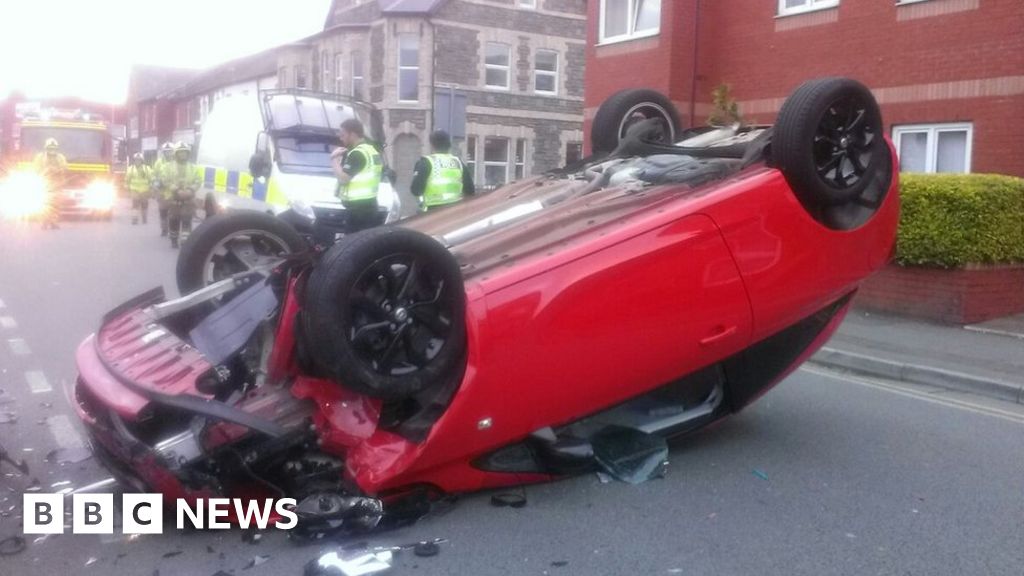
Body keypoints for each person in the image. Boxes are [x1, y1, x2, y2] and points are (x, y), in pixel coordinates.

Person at [330, 118, 383, 234]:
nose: (341, 138)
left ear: (353, 134)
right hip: (369, 205)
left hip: (358, 211)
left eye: (343, 135)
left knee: (352, 243)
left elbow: (343, 179)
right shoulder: (371, 150)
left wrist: (333, 159)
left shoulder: (357, 153)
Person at [409, 130, 474, 212]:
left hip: (433, 212)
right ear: (449, 144)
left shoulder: (426, 163)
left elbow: (416, 190)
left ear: (432, 145)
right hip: (456, 212)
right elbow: (470, 191)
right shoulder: (458, 163)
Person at [163, 142, 200, 248]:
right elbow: (165, 180)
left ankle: (185, 241)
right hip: (174, 198)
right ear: (176, 154)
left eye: (185, 152)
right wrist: (177, 190)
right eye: (180, 152)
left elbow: (198, 181)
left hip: (188, 198)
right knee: (174, 220)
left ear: (188, 154)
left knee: (187, 219)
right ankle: (174, 240)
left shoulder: (193, 167)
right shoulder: (168, 167)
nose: (183, 154)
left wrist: (190, 190)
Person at [32, 138, 67, 229]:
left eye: (53, 148)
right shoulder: (40, 157)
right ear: (46, 148)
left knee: (56, 205)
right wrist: (46, 170)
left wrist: (56, 170)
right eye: (50, 148)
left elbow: (64, 168)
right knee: (44, 203)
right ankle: (44, 222)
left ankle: (54, 222)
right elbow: (36, 169)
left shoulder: (60, 157)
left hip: (57, 184)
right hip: (44, 184)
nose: (52, 150)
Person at [152, 142, 175, 236]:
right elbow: (154, 174)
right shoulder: (159, 162)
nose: (168, 153)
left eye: (170, 151)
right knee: (163, 211)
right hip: (162, 191)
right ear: (163, 152)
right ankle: (164, 229)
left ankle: (173, 229)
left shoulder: (176, 162)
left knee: (173, 212)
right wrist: (156, 183)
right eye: (166, 152)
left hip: (173, 191)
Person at [125, 153, 152, 225]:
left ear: (142, 161)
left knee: (144, 204)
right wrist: (127, 187)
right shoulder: (130, 169)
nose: (137, 161)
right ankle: (135, 218)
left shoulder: (147, 169)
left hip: (145, 190)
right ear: (134, 161)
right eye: (136, 160)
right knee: (135, 203)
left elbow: (151, 179)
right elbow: (127, 179)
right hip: (134, 190)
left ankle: (144, 217)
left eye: (139, 160)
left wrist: (151, 188)